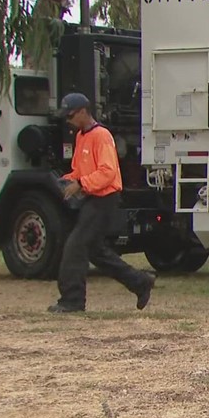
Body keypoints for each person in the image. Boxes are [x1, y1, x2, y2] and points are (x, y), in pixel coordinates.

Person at [51, 93, 156, 313]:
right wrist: (68, 180)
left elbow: (107, 172)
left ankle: (72, 301)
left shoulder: (101, 136)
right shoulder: (81, 136)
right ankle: (140, 282)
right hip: (92, 196)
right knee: (96, 251)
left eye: (69, 115)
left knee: (76, 246)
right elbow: (82, 169)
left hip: (104, 198)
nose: (67, 121)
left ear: (82, 112)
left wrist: (80, 183)